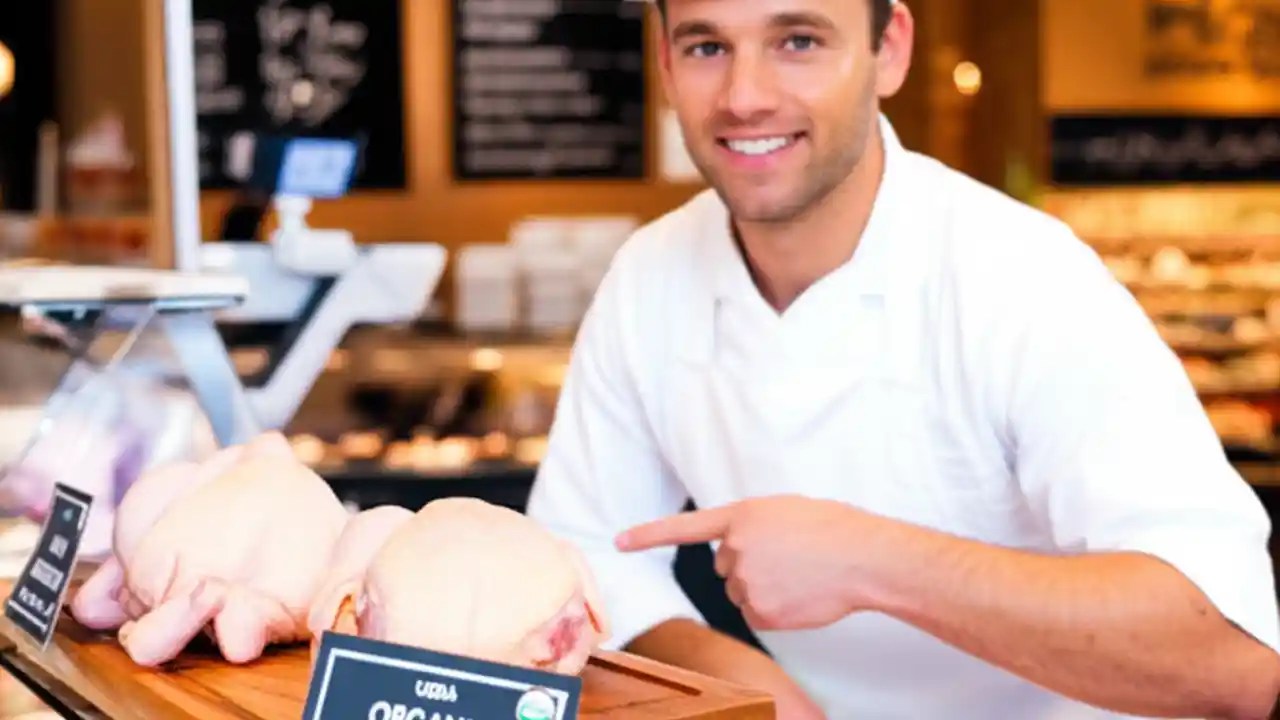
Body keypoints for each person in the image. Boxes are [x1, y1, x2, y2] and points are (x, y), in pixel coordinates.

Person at [524, 0, 1280, 717]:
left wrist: (873, 562)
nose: (744, 96)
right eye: (706, 46)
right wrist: (750, 686)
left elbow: (1237, 659)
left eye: (798, 40)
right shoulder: (649, 276)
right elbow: (587, 551)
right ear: (663, 63)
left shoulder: (1023, 275)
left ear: (889, 51)